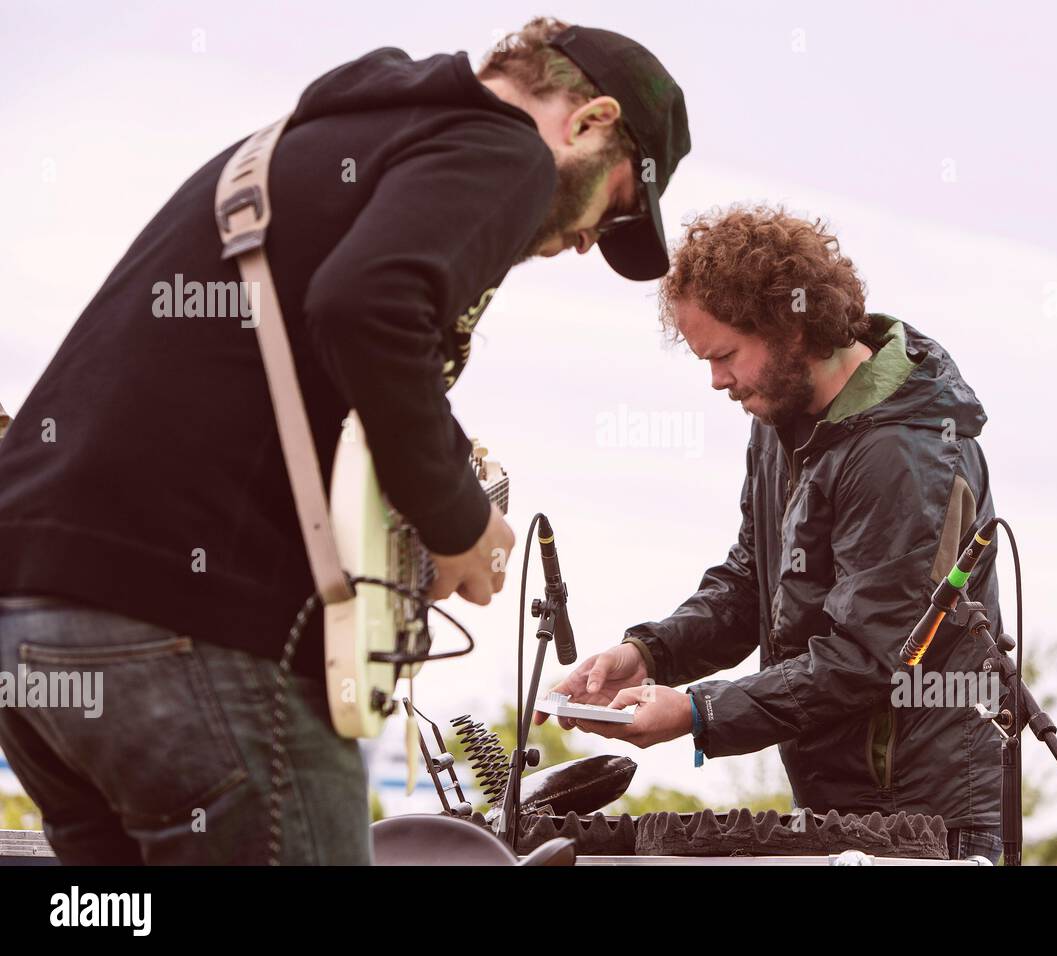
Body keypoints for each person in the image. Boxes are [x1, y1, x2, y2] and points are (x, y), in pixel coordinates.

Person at [0, 17, 691, 864]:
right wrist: (455, 519)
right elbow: (366, 308)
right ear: (588, 122)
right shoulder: (502, 143)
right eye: (615, 204)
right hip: (188, 635)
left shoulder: (324, 142)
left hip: (34, 624)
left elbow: (321, 343)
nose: (590, 239)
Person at [538, 206, 1006, 863]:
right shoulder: (780, 419)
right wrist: (646, 655)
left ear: (789, 326)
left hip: (927, 827)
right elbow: (748, 584)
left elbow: (869, 658)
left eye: (726, 355)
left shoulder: (904, 453)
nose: (716, 380)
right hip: (844, 810)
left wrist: (697, 713)